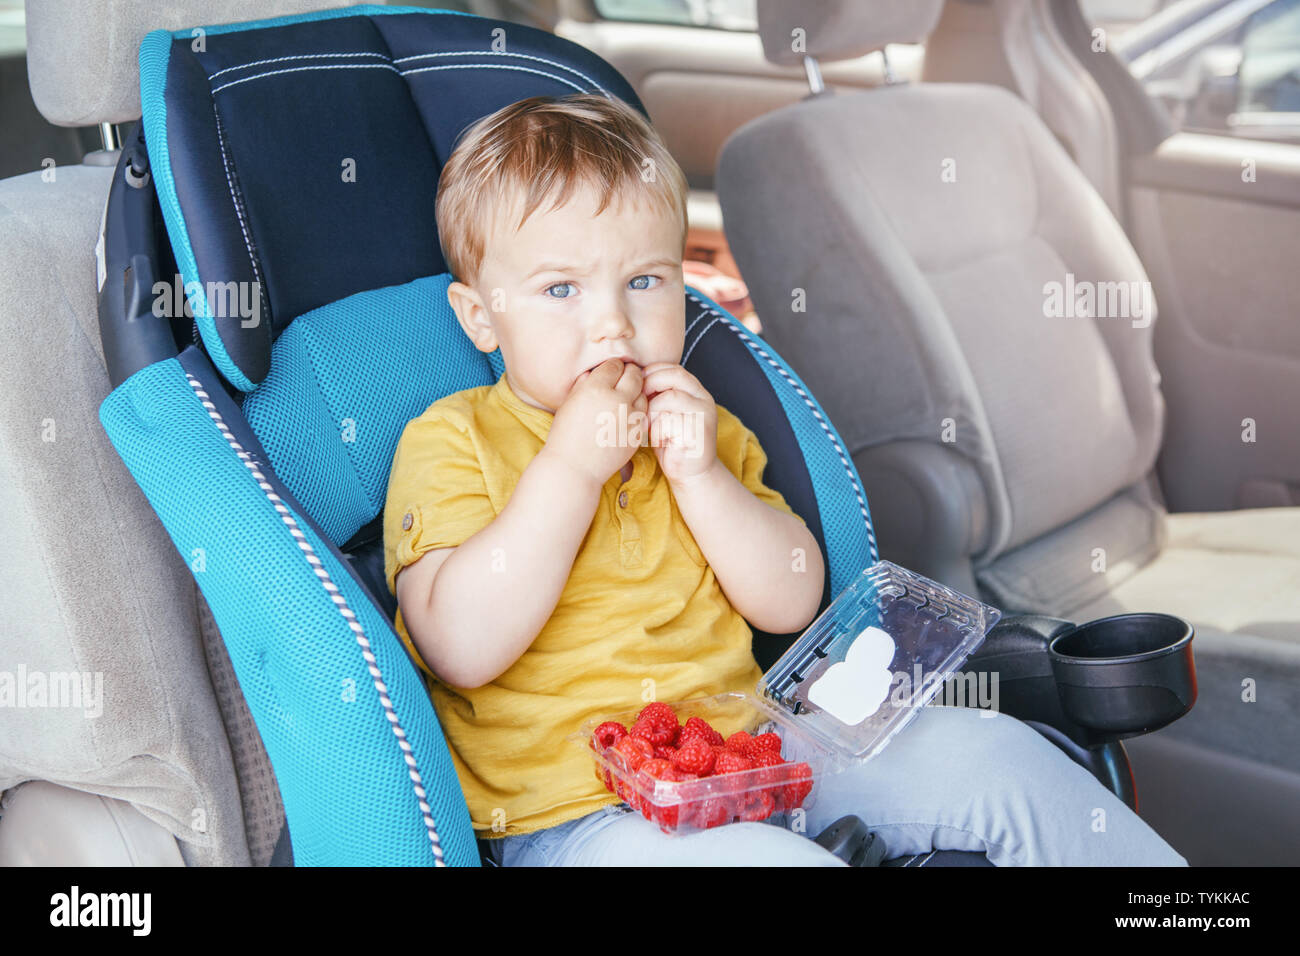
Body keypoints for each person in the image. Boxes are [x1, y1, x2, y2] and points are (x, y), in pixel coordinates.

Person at [382, 93, 1187, 867]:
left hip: (754, 750)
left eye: (645, 282)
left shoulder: (704, 426)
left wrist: (701, 477)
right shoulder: (455, 440)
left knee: (1002, 760)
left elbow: (790, 602)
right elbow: (460, 646)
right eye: (561, 290)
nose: (612, 324)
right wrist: (570, 468)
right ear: (480, 318)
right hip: (579, 817)